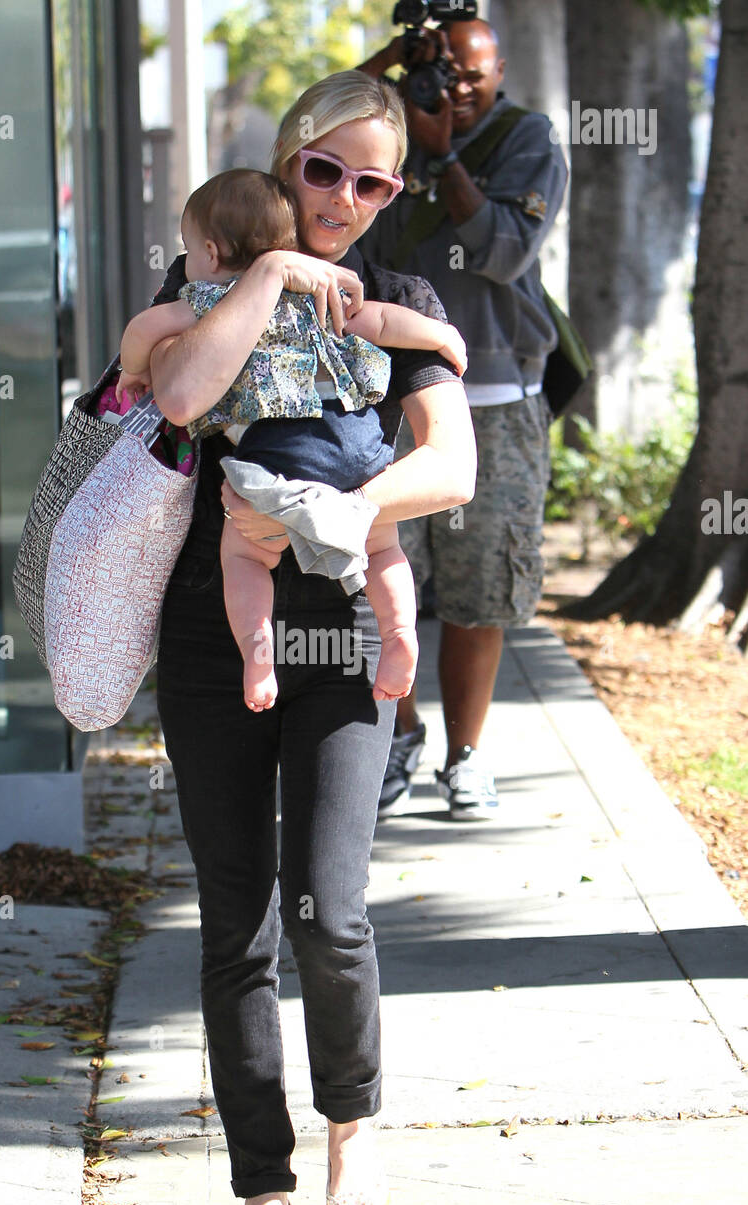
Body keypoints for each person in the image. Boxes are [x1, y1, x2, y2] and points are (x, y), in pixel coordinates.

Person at [144, 70, 476, 1205]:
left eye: (371, 180)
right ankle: (260, 1180)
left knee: (329, 909)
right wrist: (273, 275)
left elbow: (455, 465)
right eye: (323, 169)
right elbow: (176, 396)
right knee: (236, 919)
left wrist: (344, 511)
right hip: (213, 620)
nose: (342, 197)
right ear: (288, 162)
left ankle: (352, 1126)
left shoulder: (396, 290)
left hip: (342, 617)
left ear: (393, 192)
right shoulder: (216, 268)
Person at [117, 168, 467, 712]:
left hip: (280, 462)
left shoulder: (211, 299)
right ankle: (401, 636)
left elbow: (143, 331)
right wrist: (441, 334)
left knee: (245, 557)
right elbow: (379, 320)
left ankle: (259, 659)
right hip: (358, 450)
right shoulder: (323, 292)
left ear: (210, 250)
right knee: (383, 547)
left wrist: (133, 372)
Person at [357, 16, 568, 819]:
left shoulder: (527, 138)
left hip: (498, 402)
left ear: (500, 70)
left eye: (471, 74)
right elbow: (308, 132)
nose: (456, 88)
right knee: (381, 584)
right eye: (440, 72)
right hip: (389, 401)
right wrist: (388, 73)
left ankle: (466, 754)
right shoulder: (388, 130)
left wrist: (441, 153)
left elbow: (503, 250)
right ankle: (400, 734)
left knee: (484, 594)